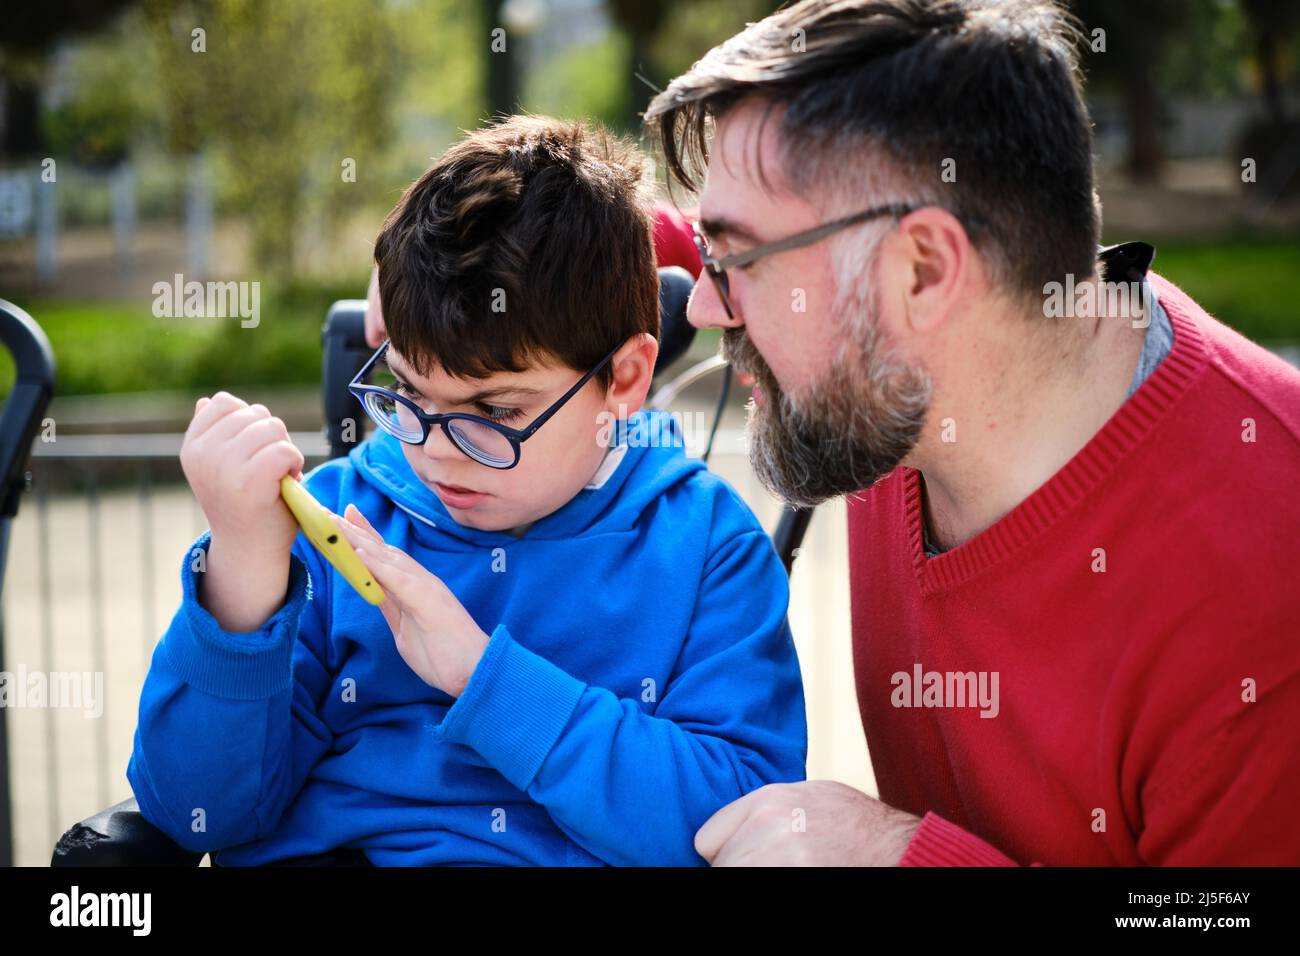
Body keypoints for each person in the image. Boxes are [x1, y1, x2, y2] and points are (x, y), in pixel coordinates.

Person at [645, 0, 1300, 865]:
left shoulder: (1264, 597)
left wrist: (897, 858)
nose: (700, 299)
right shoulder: (899, 376)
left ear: (924, 271)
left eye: (733, 261)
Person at [127, 115, 807, 866]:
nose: (438, 454)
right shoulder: (333, 523)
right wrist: (242, 581)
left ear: (624, 378)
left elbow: (745, 825)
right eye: (410, 396)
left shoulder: (709, 549)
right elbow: (197, 814)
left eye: (494, 413)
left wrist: (489, 681)